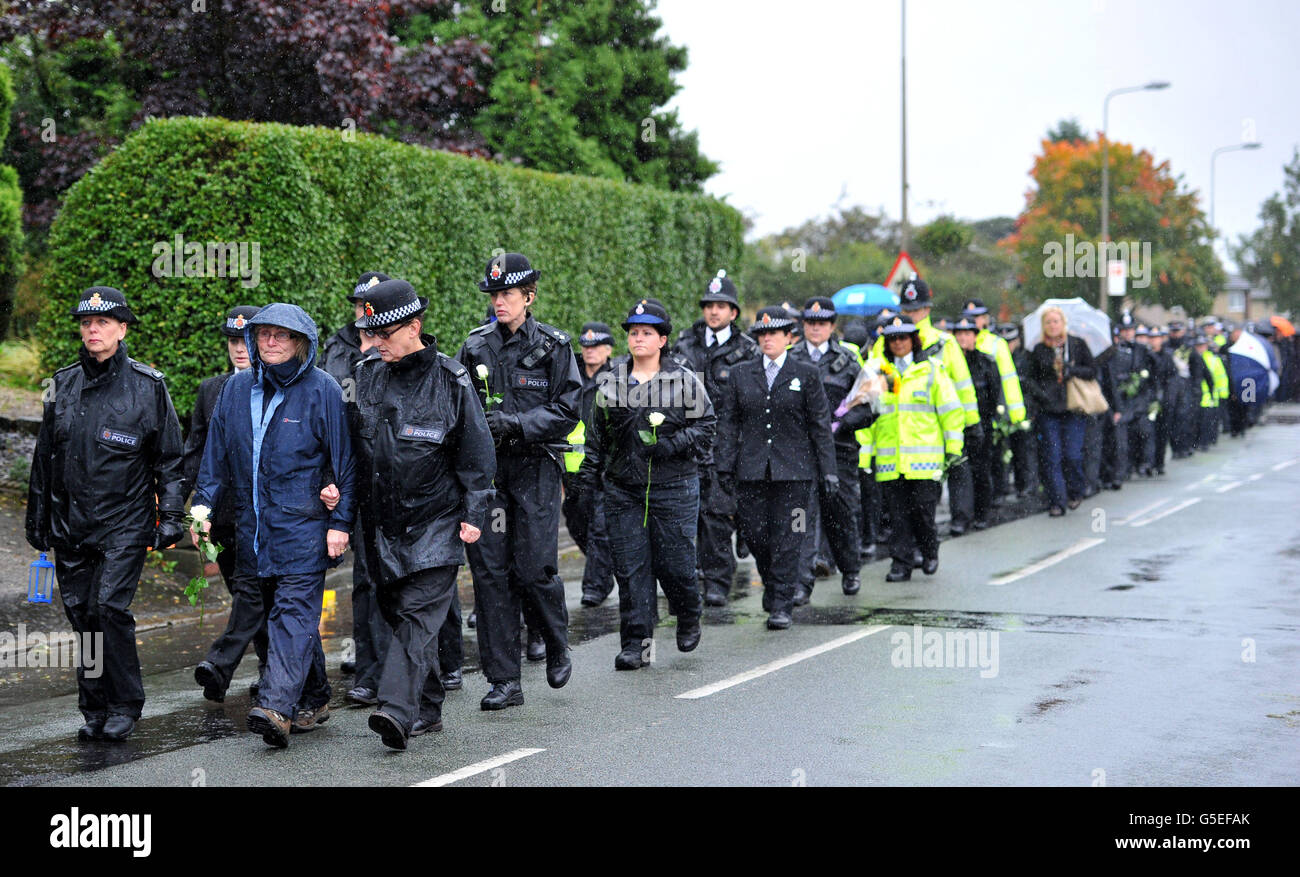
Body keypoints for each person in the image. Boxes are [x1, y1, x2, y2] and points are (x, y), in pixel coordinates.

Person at [27, 286, 187, 742]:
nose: (92, 330)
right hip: (70, 524)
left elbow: (169, 459)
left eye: (102, 323)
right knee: (82, 615)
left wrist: (171, 517)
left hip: (125, 524)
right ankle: (94, 706)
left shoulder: (147, 385)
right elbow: (45, 460)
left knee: (108, 607)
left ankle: (124, 704)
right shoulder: (62, 383)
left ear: (122, 328)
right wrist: (38, 522)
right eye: (85, 323)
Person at [192, 303, 355, 748]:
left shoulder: (323, 390)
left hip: (304, 524)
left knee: (293, 613)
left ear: (301, 342)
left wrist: (340, 522)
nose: (270, 342)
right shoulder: (235, 389)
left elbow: (344, 463)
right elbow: (215, 457)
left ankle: (276, 706)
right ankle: (316, 696)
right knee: (281, 615)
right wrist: (202, 512)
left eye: (281, 335)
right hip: (253, 528)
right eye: (263, 335)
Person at [343, 279, 495, 749]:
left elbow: (477, 454)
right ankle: (427, 709)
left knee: (415, 616)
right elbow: (347, 447)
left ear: (415, 326)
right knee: (396, 614)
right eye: (371, 333)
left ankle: (395, 709)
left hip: (436, 524)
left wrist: (475, 511)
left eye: (385, 333)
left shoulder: (451, 380)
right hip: (380, 525)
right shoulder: (364, 374)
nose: (377, 342)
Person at [456, 252, 580, 710]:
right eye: (493, 295)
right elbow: (458, 402)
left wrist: (518, 423)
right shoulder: (474, 346)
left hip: (534, 468)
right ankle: (504, 680)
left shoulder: (553, 345)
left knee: (533, 567)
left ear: (528, 296)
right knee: (490, 573)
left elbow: (569, 410)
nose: (498, 302)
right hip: (489, 475)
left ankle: (555, 639)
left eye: (507, 293)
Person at [578, 299, 714, 669]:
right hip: (624, 488)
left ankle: (688, 612)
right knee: (632, 568)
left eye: (647, 333)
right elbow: (597, 437)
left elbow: (706, 426)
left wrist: (672, 444)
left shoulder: (683, 379)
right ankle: (636, 643)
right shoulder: (612, 381)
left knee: (676, 565)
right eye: (634, 333)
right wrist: (586, 482)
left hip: (675, 487)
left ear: (663, 339)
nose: (638, 339)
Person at [716, 306, 836, 630]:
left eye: (774, 333)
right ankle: (773, 582)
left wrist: (829, 470)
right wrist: (724, 466)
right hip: (753, 470)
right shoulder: (741, 374)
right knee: (755, 534)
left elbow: (820, 425)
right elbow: (728, 424)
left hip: (795, 474)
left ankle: (782, 602)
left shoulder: (806, 373)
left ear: (789, 337)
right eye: (762, 334)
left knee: (791, 536)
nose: (767, 338)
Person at [187, 305, 270, 703]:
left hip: (261, 513)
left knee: (256, 591)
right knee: (244, 591)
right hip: (222, 516)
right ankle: (265, 668)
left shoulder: (279, 385)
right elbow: (197, 451)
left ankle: (262, 668)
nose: (239, 349)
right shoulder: (211, 390)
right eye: (233, 341)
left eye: (246, 340)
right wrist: (183, 508)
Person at [321, 271, 395, 699]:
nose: (364, 313)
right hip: (358, 473)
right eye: (359, 305)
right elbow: (334, 411)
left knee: (405, 578)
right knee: (365, 577)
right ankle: (368, 667)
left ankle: (414, 667)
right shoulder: (339, 347)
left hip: (402, 481)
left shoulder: (401, 349)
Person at [670, 269, 760, 606]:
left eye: (721, 306)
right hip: (689, 443)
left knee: (718, 517)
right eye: (709, 305)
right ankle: (690, 578)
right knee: (685, 517)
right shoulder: (684, 343)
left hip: (727, 446)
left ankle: (719, 581)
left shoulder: (748, 350)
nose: (714, 312)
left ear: (733, 312)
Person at [869, 276, 980, 536]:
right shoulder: (884, 343)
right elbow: (873, 385)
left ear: (927, 309)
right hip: (901, 430)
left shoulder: (945, 342)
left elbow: (963, 386)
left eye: (916, 309)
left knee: (951, 476)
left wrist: (971, 422)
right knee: (911, 499)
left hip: (942, 422)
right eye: (907, 310)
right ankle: (913, 548)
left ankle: (959, 519)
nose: (913, 314)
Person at [866, 316, 964, 582]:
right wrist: (866, 455)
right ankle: (901, 563)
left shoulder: (932, 370)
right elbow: (868, 417)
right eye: (893, 338)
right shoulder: (877, 373)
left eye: (903, 337)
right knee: (897, 516)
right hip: (890, 459)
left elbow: (951, 411)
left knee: (923, 511)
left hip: (925, 459)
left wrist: (954, 447)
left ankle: (929, 550)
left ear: (913, 340)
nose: (898, 343)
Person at [788, 296, 870, 598]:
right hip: (799, 451)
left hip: (839, 450)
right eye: (810, 322)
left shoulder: (847, 362)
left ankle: (850, 570)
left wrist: (841, 422)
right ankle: (802, 582)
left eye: (821, 323)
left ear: (832, 326)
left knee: (841, 512)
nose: (815, 328)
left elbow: (869, 405)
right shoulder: (790, 357)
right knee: (801, 516)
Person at [1022, 306, 1097, 517]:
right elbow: (1029, 379)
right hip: (1048, 411)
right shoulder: (1038, 350)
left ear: (1063, 323)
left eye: (1056, 321)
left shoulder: (1076, 345)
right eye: (1048, 322)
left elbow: (1092, 371)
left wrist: (1072, 370)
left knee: (1072, 455)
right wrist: (1041, 395)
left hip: (1073, 408)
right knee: (1052, 457)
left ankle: (1075, 491)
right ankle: (1057, 501)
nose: (1052, 325)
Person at [562, 322, 616, 607]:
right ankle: (605, 565)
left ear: (608, 349)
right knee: (576, 522)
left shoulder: (618, 378)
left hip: (604, 467)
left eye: (596, 346)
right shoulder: (570, 376)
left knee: (600, 528)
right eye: (586, 346)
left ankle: (596, 585)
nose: (590, 351)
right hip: (573, 469)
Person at [961, 298, 1026, 501]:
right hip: (967, 409)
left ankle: (995, 495)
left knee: (993, 455)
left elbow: (1008, 378)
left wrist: (1013, 412)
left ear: (985, 319)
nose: (975, 321)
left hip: (990, 408)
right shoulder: (958, 341)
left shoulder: (995, 343)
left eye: (978, 317)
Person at [952, 316, 1004, 529]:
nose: (963, 337)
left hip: (981, 424)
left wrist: (988, 420)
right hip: (956, 424)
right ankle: (961, 517)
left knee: (980, 469)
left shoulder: (986, 362)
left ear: (975, 336)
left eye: (967, 333)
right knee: (959, 470)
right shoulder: (951, 362)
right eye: (959, 333)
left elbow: (994, 393)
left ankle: (982, 513)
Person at [1100, 312, 1155, 487]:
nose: (1128, 334)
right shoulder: (1112, 353)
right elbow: (1111, 380)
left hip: (1137, 401)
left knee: (1142, 434)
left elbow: (1150, 376)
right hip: (1120, 401)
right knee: (1119, 441)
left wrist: (1147, 400)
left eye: (1130, 330)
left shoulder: (1142, 351)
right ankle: (1118, 474)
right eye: (1124, 331)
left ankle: (1142, 464)